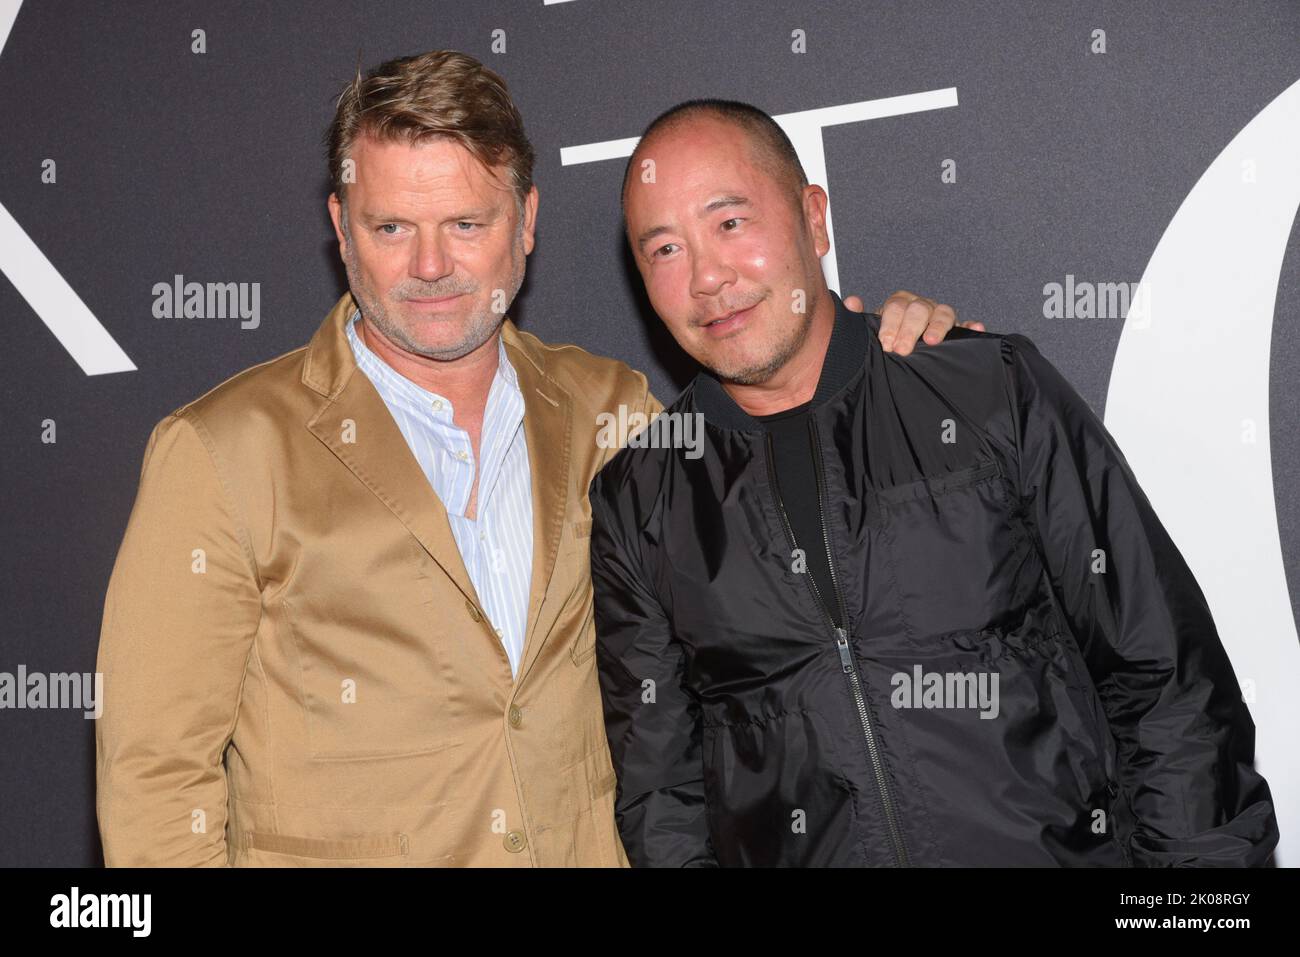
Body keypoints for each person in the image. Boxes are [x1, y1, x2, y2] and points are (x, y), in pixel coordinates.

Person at [94, 52, 969, 866]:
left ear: (528, 221)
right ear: (341, 227)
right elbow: (155, 782)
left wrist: (878, 350)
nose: (430, 265)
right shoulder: (221, 450)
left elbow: (773, 489)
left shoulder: (614, 410)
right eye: (391, 225)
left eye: (467, 223)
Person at [589, 98, 1280, 867]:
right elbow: (664, 801)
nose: (709, 277)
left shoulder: (987, 389)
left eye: (730, 223)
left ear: (812, 218)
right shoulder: (640, 498)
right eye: (664, 250)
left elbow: (1164, 677)